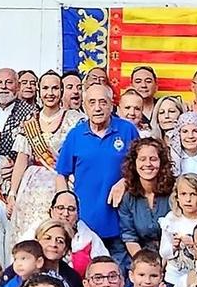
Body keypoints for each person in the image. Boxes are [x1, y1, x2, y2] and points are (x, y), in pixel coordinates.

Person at [54, 82, 139, 251]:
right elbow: (61, 174)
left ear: (112, 105)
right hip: (84, 227)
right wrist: (64, 207)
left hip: (121, 225)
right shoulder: (75, 135)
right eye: (92, 102)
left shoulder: (127, 130)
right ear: (85, 106)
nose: (98, 108)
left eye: (103, 102)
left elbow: (142, 168)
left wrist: (125, 181)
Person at [8, 72, 85, 242]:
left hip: (65, 181)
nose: (50, 93)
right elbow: (22, 158)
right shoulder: (30, 121)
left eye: (55, 88)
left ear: (62, 90)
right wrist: (13, 193)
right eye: (45, 88)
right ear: (38, 90)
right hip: (32, 186)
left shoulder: (76, 119)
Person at [117, 138, 173, 256]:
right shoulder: (127, 197)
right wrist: (145, 263)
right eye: (142, 159)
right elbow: (129, 237)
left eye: (153, 159)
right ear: (134, 163)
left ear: (161, 162)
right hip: (142, 256)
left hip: (173, 255)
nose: (148, 164)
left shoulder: (174, 192)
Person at [159, 174, 197, 287]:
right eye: (183, 194)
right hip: (173, 279)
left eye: (193, 194)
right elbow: (163, 252)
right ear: (177, 197)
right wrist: (174, 246)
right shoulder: (171, 218)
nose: (188, 199)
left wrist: (195, 244)